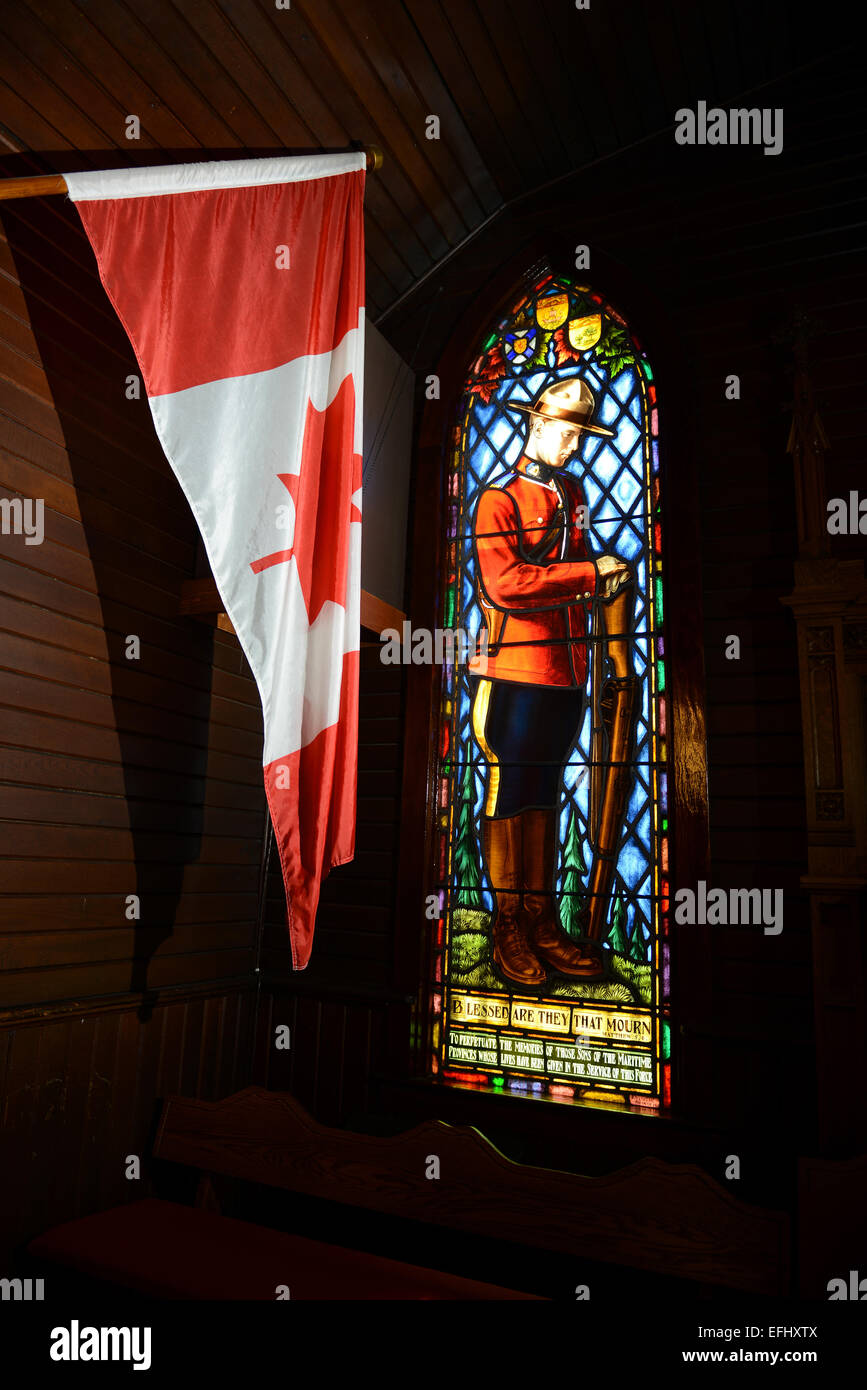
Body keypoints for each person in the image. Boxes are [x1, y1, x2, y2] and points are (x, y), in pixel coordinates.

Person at [467, 377, 630, 986]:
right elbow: (505, 585)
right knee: (511, 790)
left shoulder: (573, 495)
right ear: (534, 424)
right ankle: (505, 921)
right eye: (564, 430)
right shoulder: (496, 501)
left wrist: (601, 581)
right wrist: (591, 573)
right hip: (514, 670)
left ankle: (540, 921)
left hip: (566, 675)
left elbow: (580, 571)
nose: (572, 445)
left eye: (582, 435)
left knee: (546, 789)